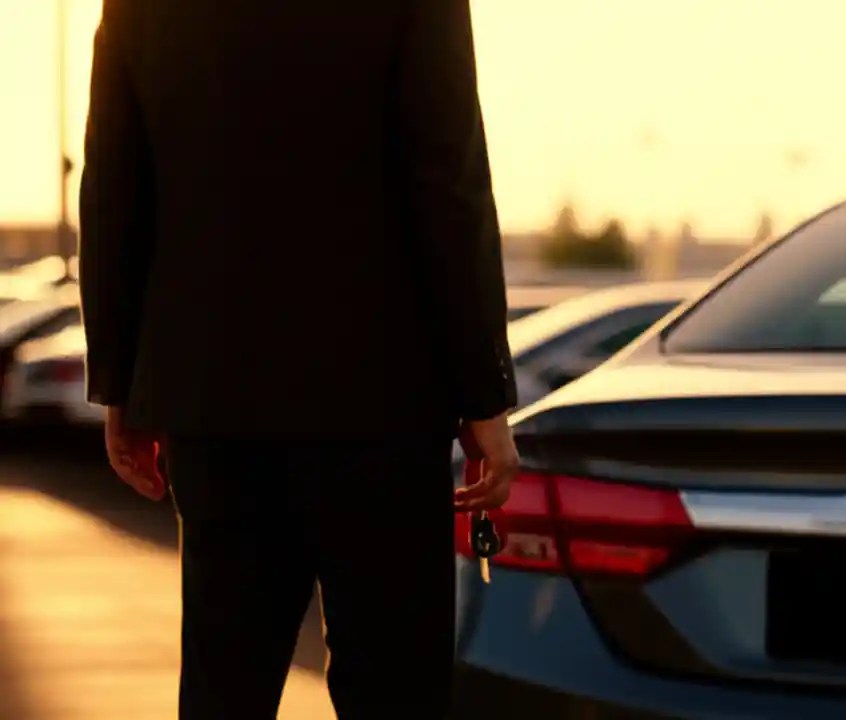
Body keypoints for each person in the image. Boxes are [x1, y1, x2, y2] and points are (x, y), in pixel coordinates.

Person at [78, 1, 518, 717]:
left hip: (216, 397)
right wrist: (484, 396)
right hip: (383, 402)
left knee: (225, 691)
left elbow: (114, 183)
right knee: (396, 692)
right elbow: (448, 179)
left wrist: (120, 383)